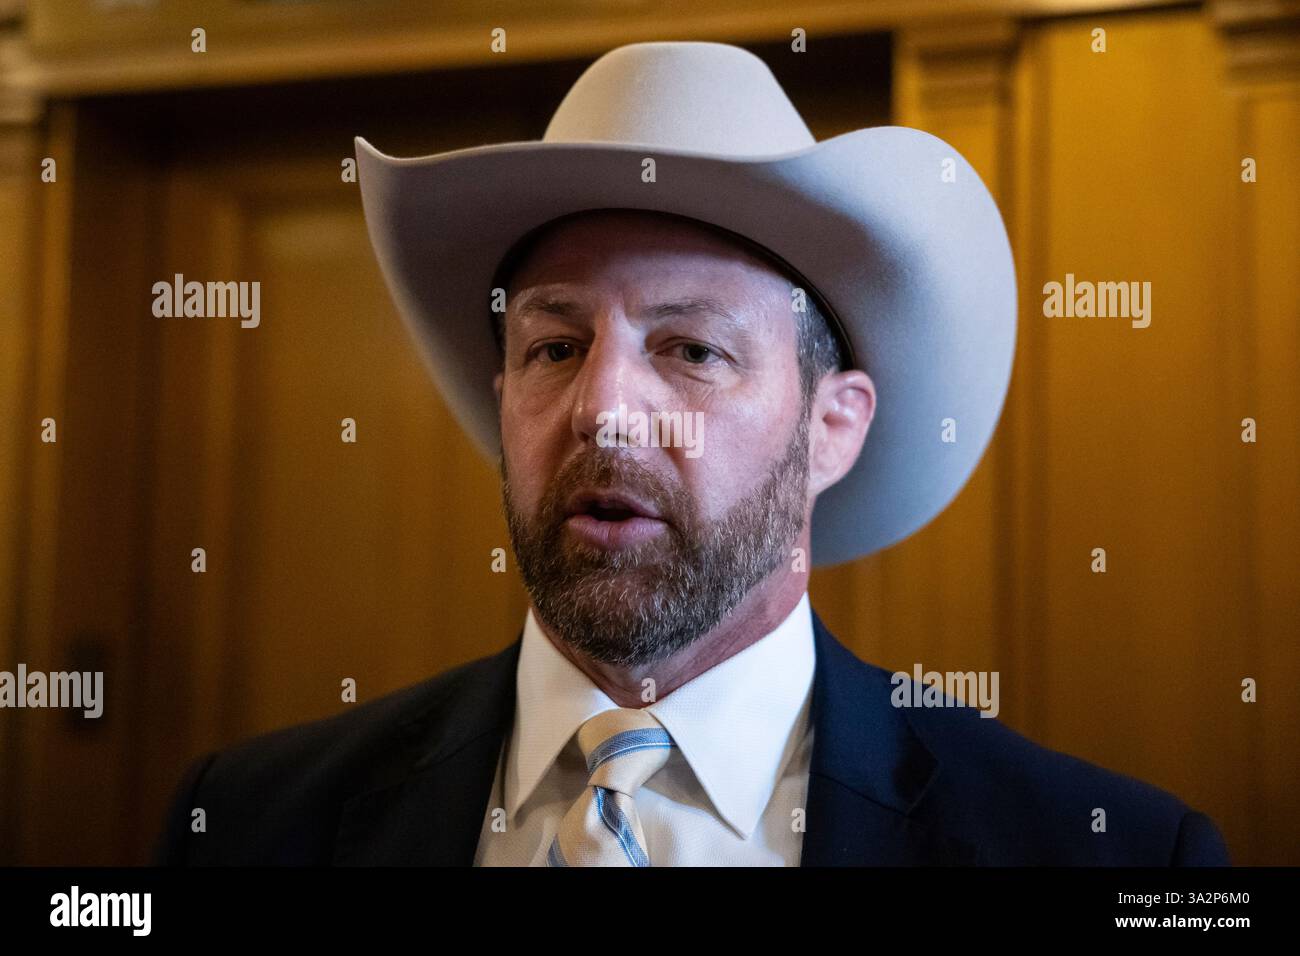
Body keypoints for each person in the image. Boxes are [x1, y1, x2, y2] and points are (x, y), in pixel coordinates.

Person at [153, 40, 1229, 866]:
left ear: (832, 425)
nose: (605, 411)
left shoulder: (1103, 852)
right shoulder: (248, 825)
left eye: (691, 348)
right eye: (556, 345)